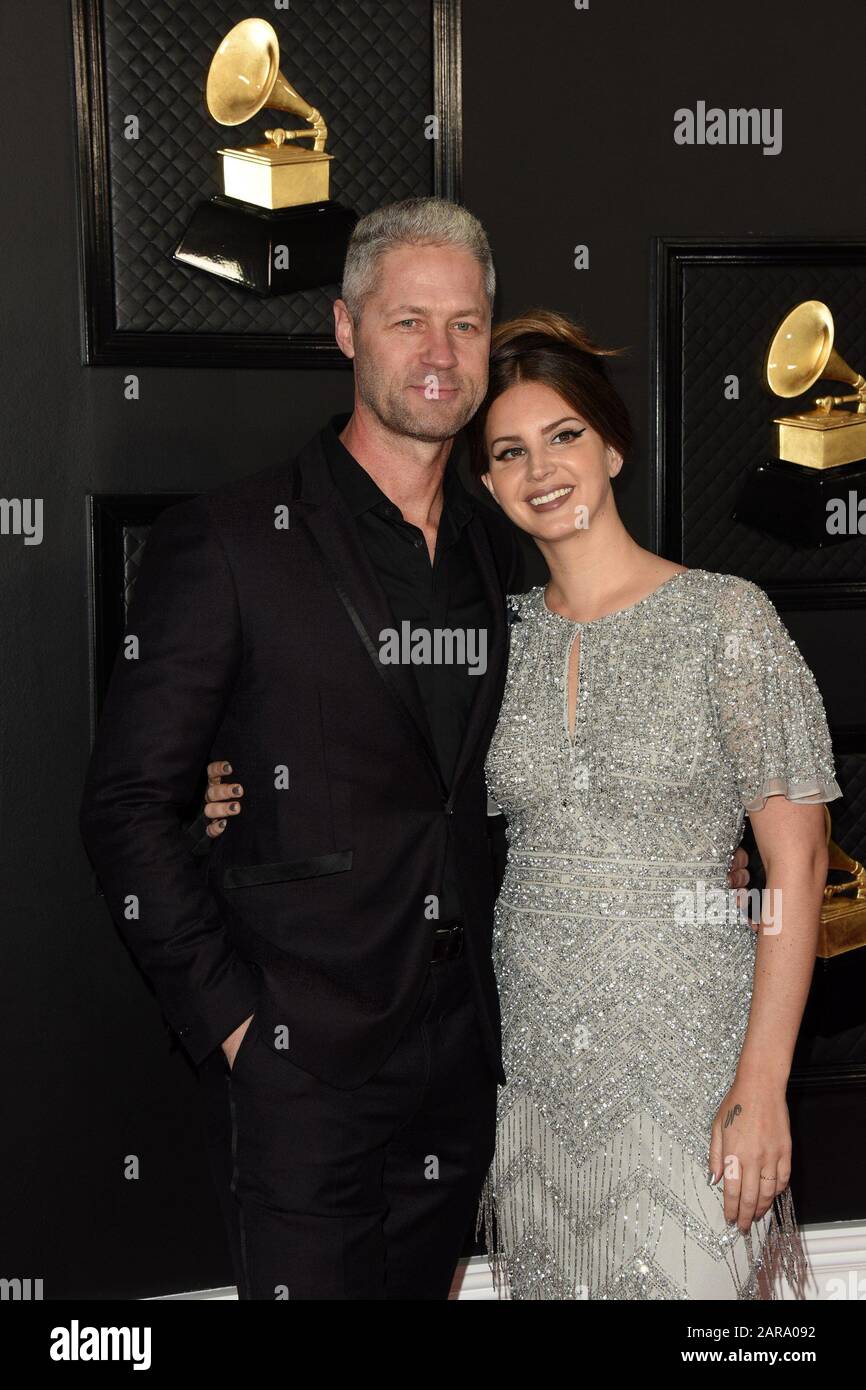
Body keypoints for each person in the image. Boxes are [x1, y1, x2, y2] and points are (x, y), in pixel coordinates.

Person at [79, 198, 751, 1301]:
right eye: (407, 321)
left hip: (467, 1070)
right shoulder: (236, 540)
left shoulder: (509, 549)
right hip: (302, 1071)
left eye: (466, 325)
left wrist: (696, 863)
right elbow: (124, 807)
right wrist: (241, 1028)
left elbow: (557, 763)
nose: (439, 355)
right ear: (346, 329)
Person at [463, 309, 838, 1299]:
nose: (540, 469)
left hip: (689, 1060)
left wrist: (760, 1084)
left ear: (612, 444)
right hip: (538, 1068)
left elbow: (794, 865)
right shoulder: (488, 644)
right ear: (488, 484)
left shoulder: (724, 617)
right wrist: (222, 788)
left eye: (562, 436)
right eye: (508, 452)